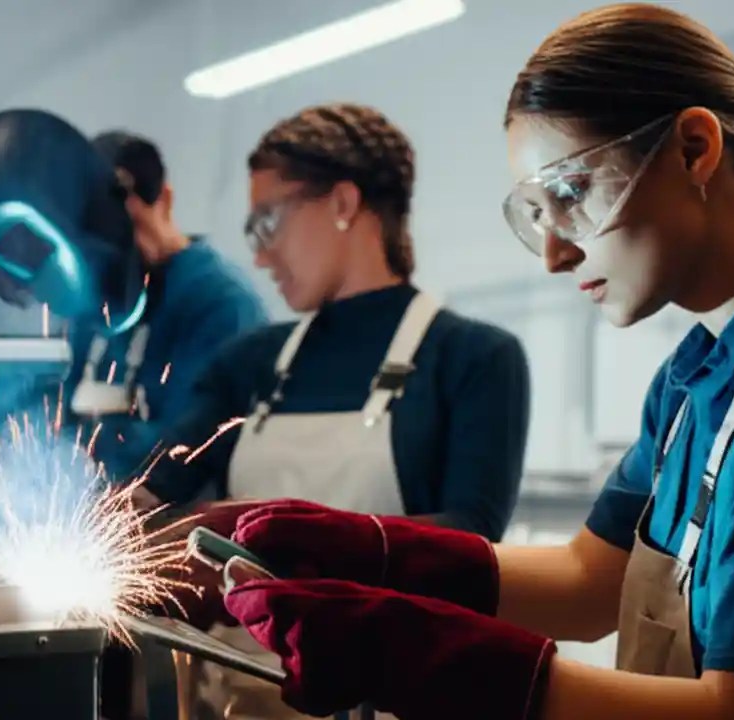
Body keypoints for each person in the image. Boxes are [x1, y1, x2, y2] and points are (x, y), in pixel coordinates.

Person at [189, 5, 734, 720]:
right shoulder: (701, 373)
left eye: (572, 192)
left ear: (695, 148)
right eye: (536, 215)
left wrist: (424, 655)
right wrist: (373, 554)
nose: (557, 253)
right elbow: (591, 580)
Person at [142, 103, 532, 719]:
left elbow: (473, 539)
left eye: (267, 224)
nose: (262, 257)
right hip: (243, 696)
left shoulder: (473, 356)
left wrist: (304, 553)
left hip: (394, 695)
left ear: (343, 203)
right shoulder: (250, 363)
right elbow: (158, 486)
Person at [0, 109, 266, 720]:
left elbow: (182, 457)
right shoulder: (97, 309)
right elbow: (60, 424)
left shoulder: (220, 305)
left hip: (188, 597)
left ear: (149, 203)